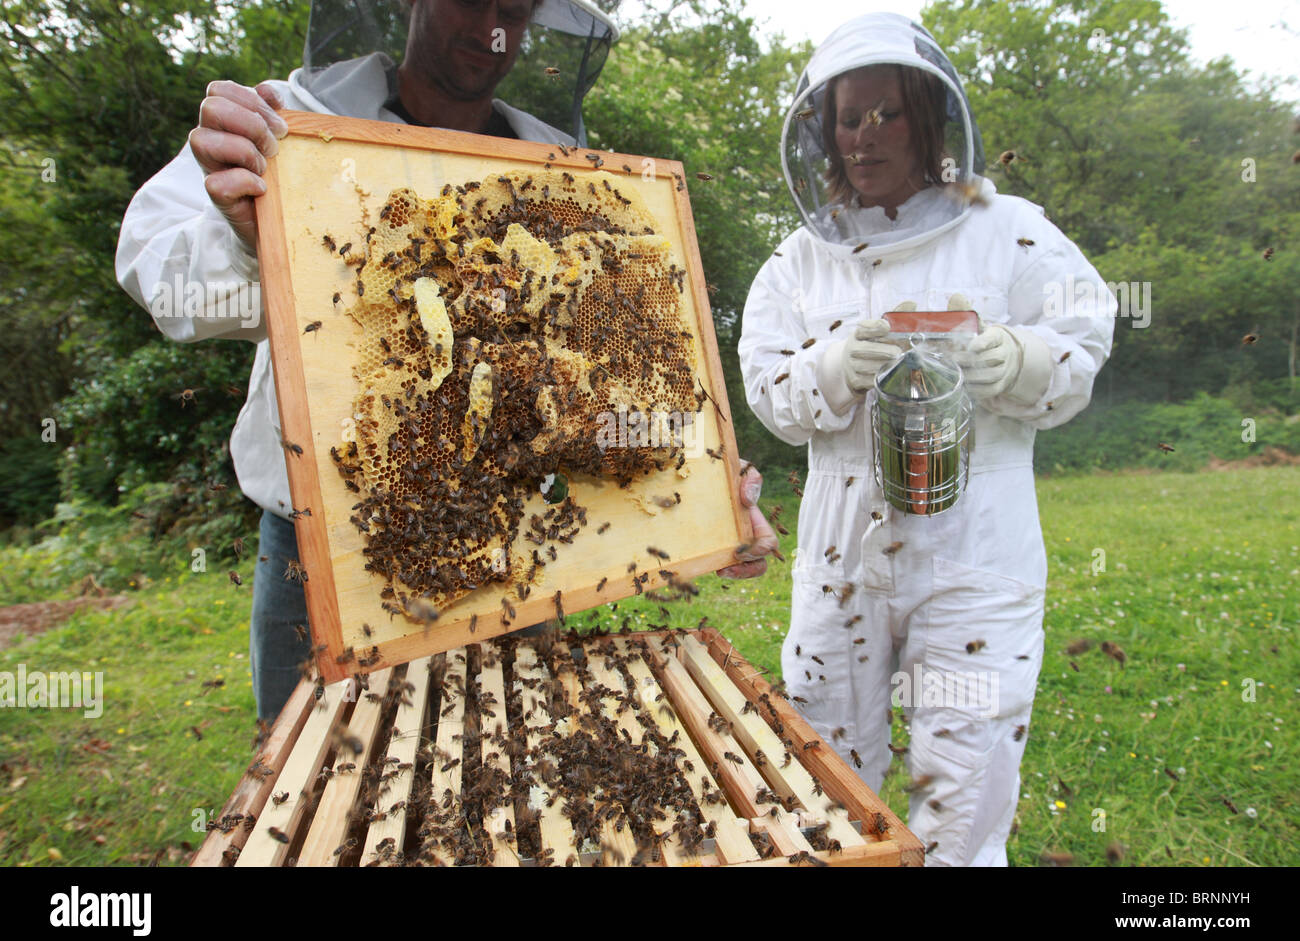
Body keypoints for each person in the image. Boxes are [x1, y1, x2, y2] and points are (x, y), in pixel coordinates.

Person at [116, 0, 774, 724]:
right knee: (322, 789)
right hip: (323, 548)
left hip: (513, 541)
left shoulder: (564, 170)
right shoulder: (283, 120)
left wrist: (706, 477)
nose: (490, 25)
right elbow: (154, 270)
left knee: (510, 783)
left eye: (514, 10)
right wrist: (250, 241)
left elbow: (621, 378)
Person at [739, 12, 1114, 866]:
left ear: (931, 121)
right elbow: (768, 392)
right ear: (821, 133)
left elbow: (1083, 341)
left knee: (963, 788)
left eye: (887, 114)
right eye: (847, 118)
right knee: (831, 777)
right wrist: (832, 365)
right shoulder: (796, 264)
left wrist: (1023, 360)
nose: (863, 137)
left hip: (976, 557)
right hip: (840, 561)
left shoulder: (1008, 228)